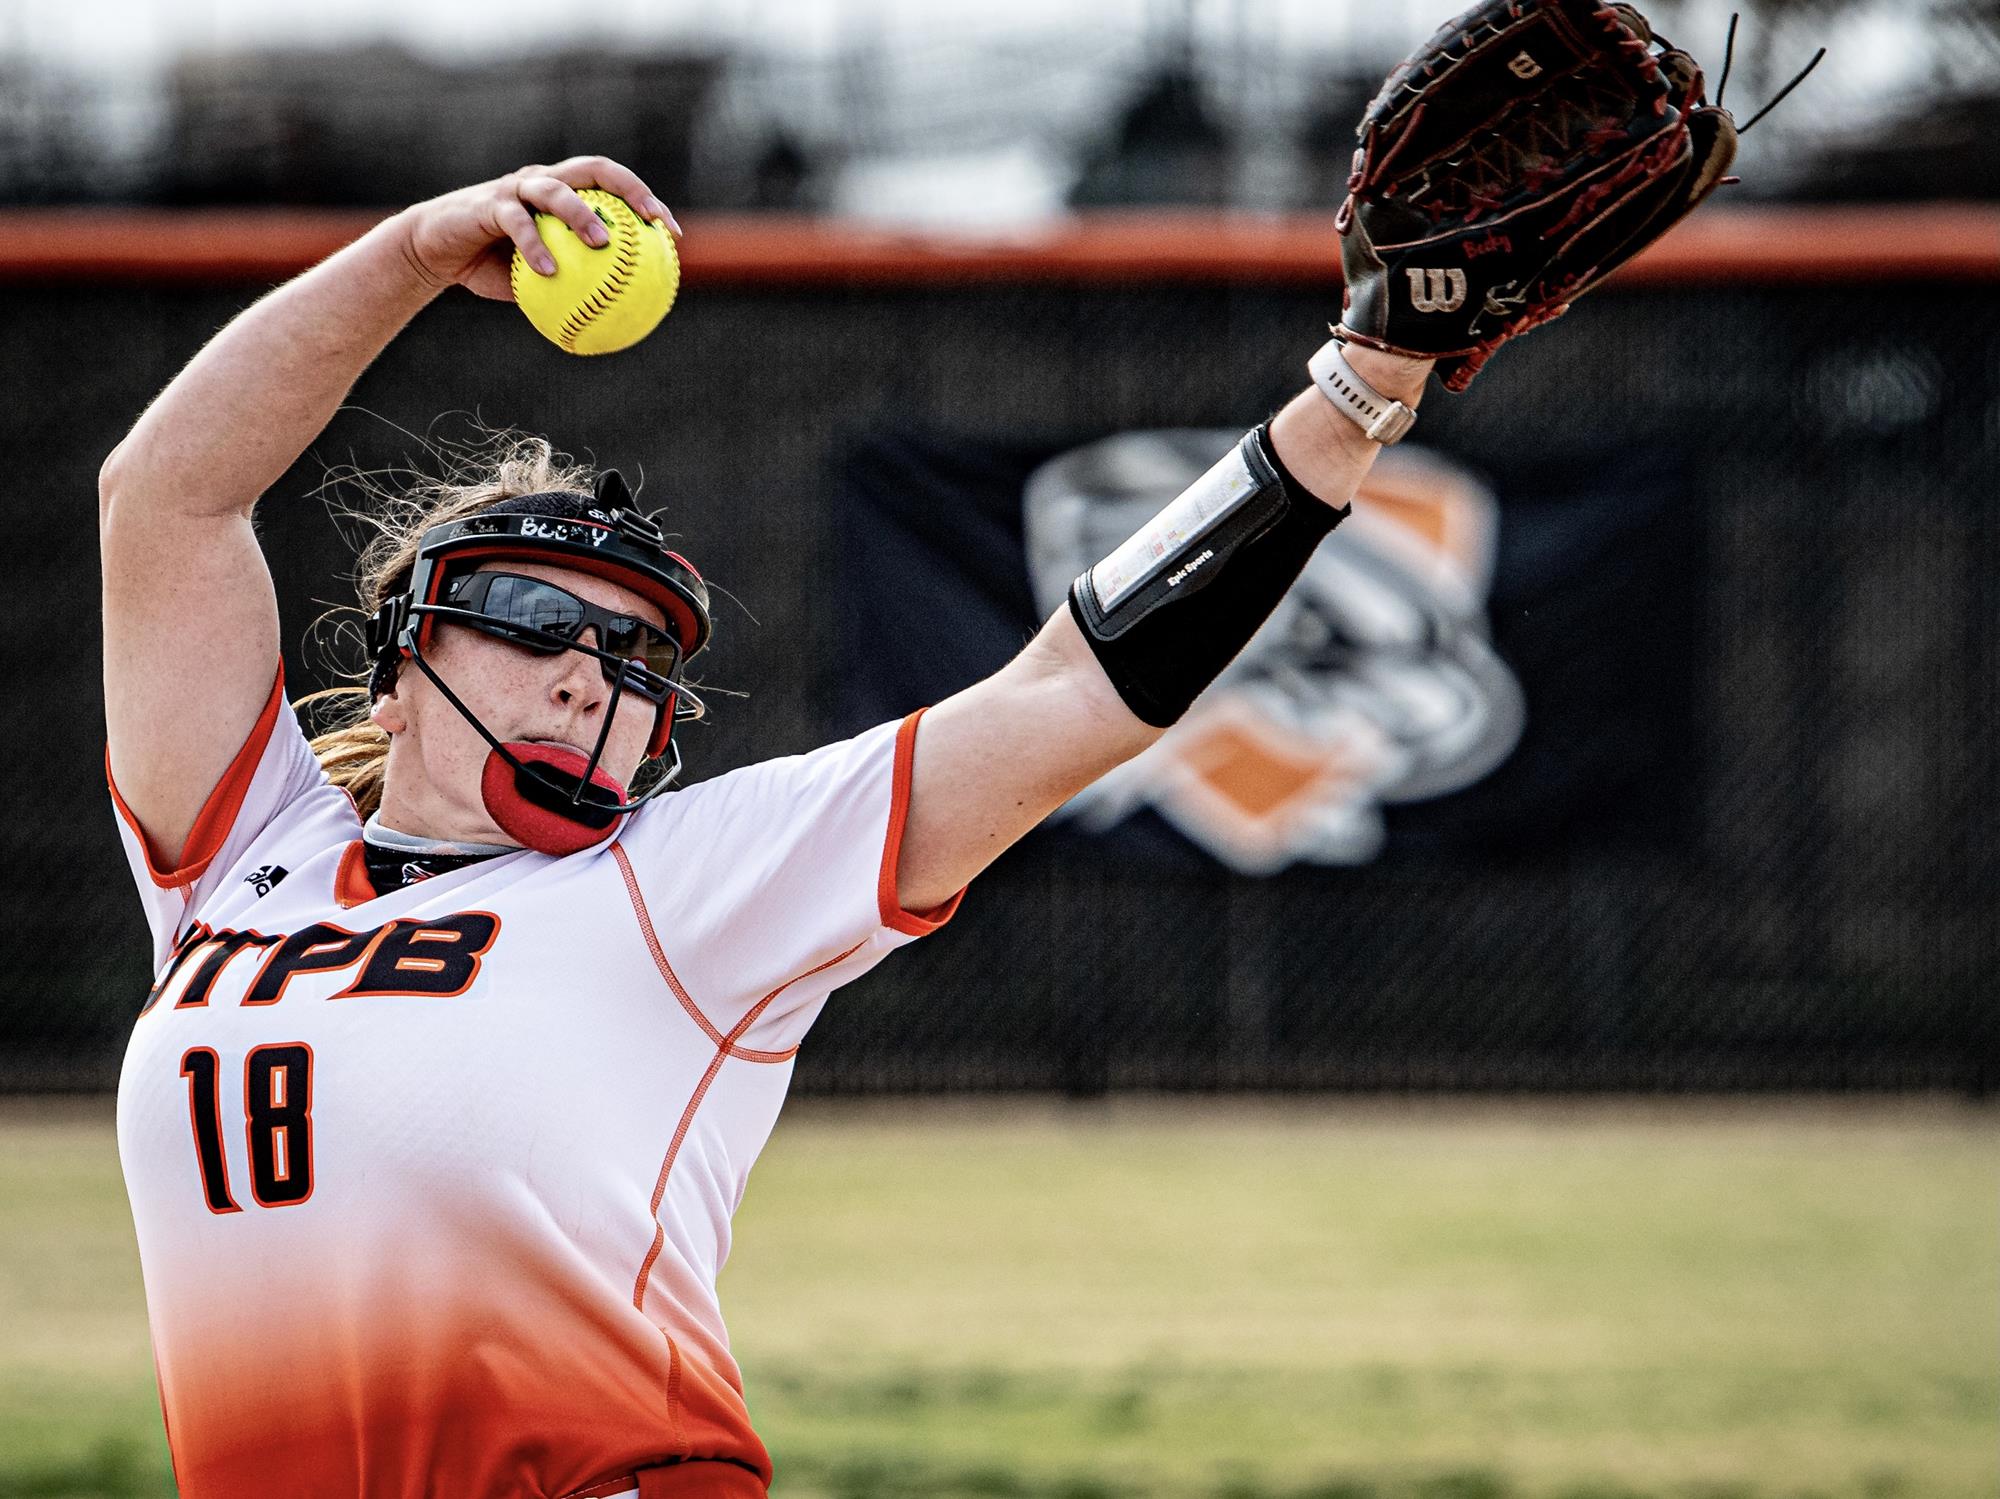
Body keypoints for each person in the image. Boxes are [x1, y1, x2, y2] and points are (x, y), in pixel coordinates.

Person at [102, 155, 1430, 1498]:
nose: (587, 671)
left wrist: (1362, 390)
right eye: (532, 619)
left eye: (636, 657)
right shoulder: (237, 854)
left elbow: (1075, 687)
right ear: (397, 672)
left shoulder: (688, 882)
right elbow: (164, 499)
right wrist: (412, 255)